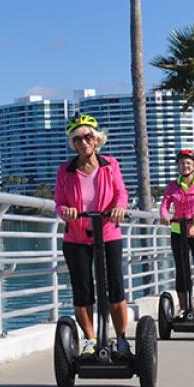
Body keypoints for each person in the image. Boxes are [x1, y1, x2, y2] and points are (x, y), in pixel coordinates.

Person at [54, 113, 130, 358]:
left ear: (96, 140)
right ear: (73, 144)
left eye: (88, 137)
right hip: (76, 237)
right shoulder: (65, 170)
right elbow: (59, 202)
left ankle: (121, 339)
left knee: (115, 289)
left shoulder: (110, 165)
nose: (83, 142)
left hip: (107, 232)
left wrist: (119, 207)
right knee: (83, 292)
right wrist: (66, 211)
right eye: (77, 139)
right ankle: (89, 341)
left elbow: (121, 193)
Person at [160, 149, 194, 314]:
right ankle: (184, 308)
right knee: (181, 271)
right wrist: (164, 215)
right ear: (178, 166)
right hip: (178, 231)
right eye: (182, 163)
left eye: (188, 163)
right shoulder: (172, 186)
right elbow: (165, 204)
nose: (185, 165)